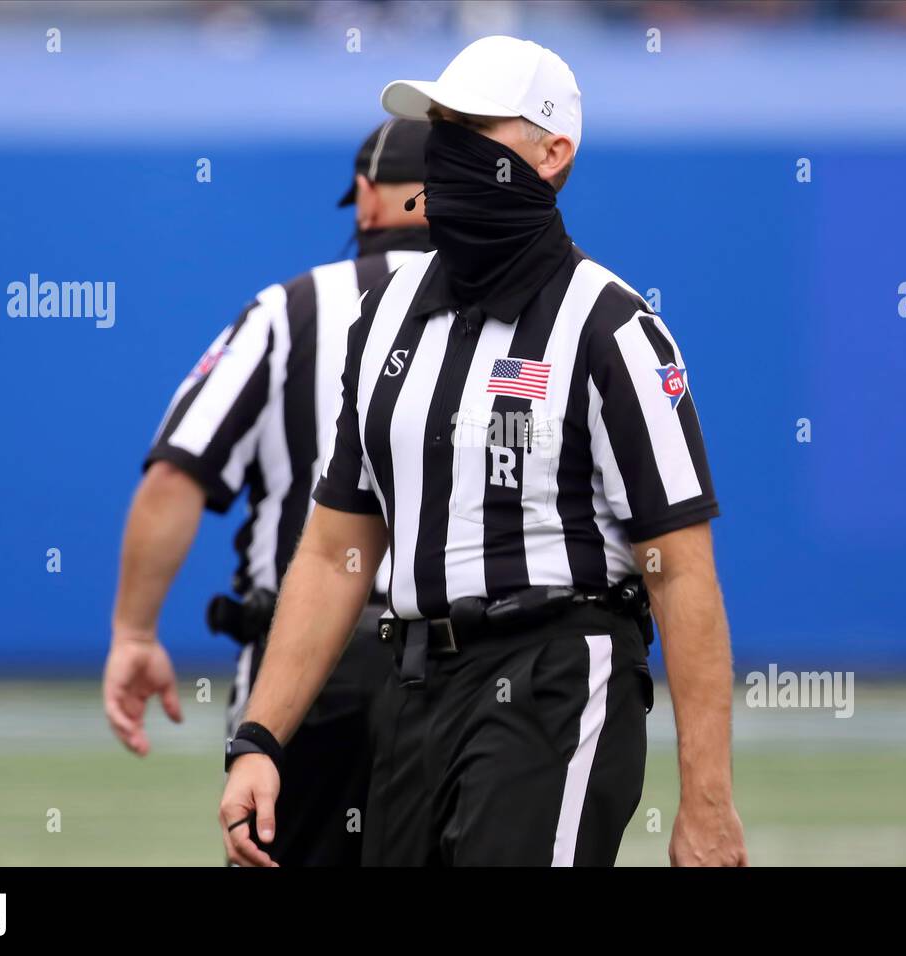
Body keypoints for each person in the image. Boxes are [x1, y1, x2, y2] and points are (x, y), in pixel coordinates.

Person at [220, 36, 747, 867]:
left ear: (553, 152)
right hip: (414, 683)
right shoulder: (389, 313)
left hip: (554, 678)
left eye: (475, 128)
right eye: (442, 127)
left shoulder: (611, 327)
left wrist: (707, 800)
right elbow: (334, 551)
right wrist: (259, 737)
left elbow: (679, 568)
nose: (450, 150)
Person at [103, 119, 433, 865]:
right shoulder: (520, 313)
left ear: (364, 199)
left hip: (308, 662)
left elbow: (175, 474)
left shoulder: (291, 312)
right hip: (463, 665)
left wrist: (134, 634)